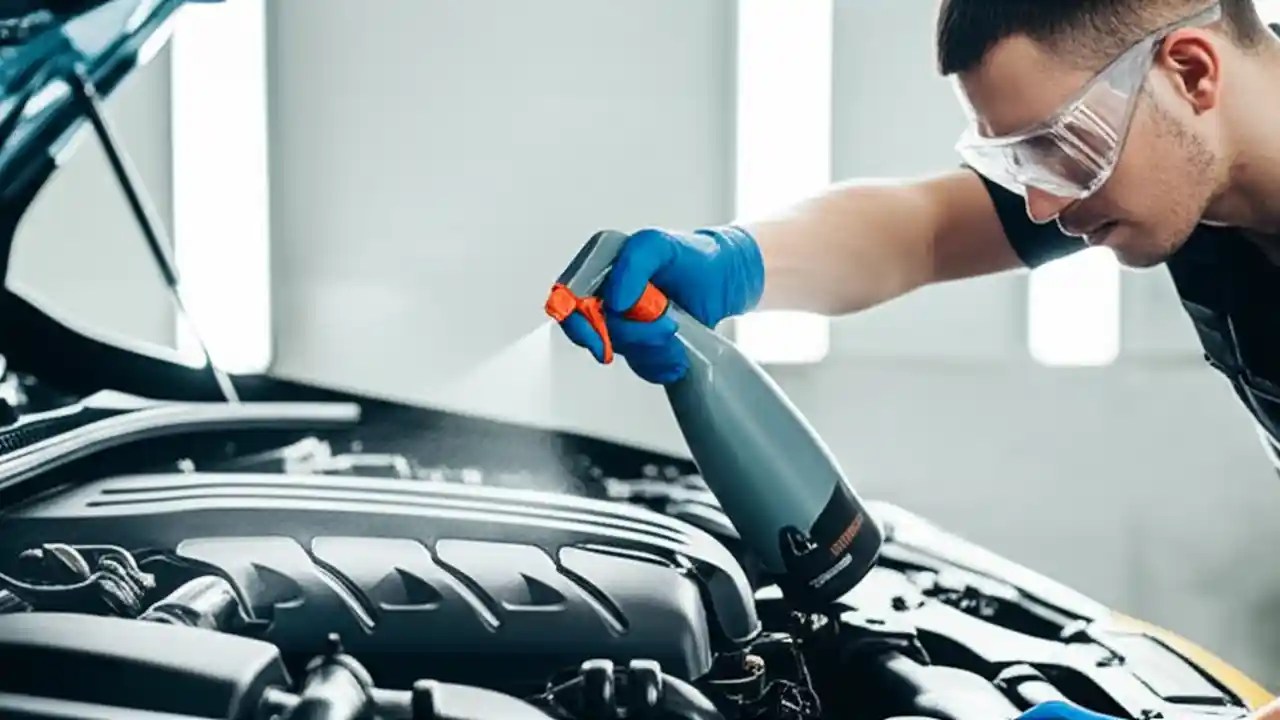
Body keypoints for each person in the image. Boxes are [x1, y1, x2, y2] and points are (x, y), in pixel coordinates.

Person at [554, 0, 1280, 718]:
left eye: (1062, 148)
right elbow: (924, 230)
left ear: (1190, 71)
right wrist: (733, 261)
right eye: (1017, 159)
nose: (1038, 205)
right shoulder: (1193, 160)